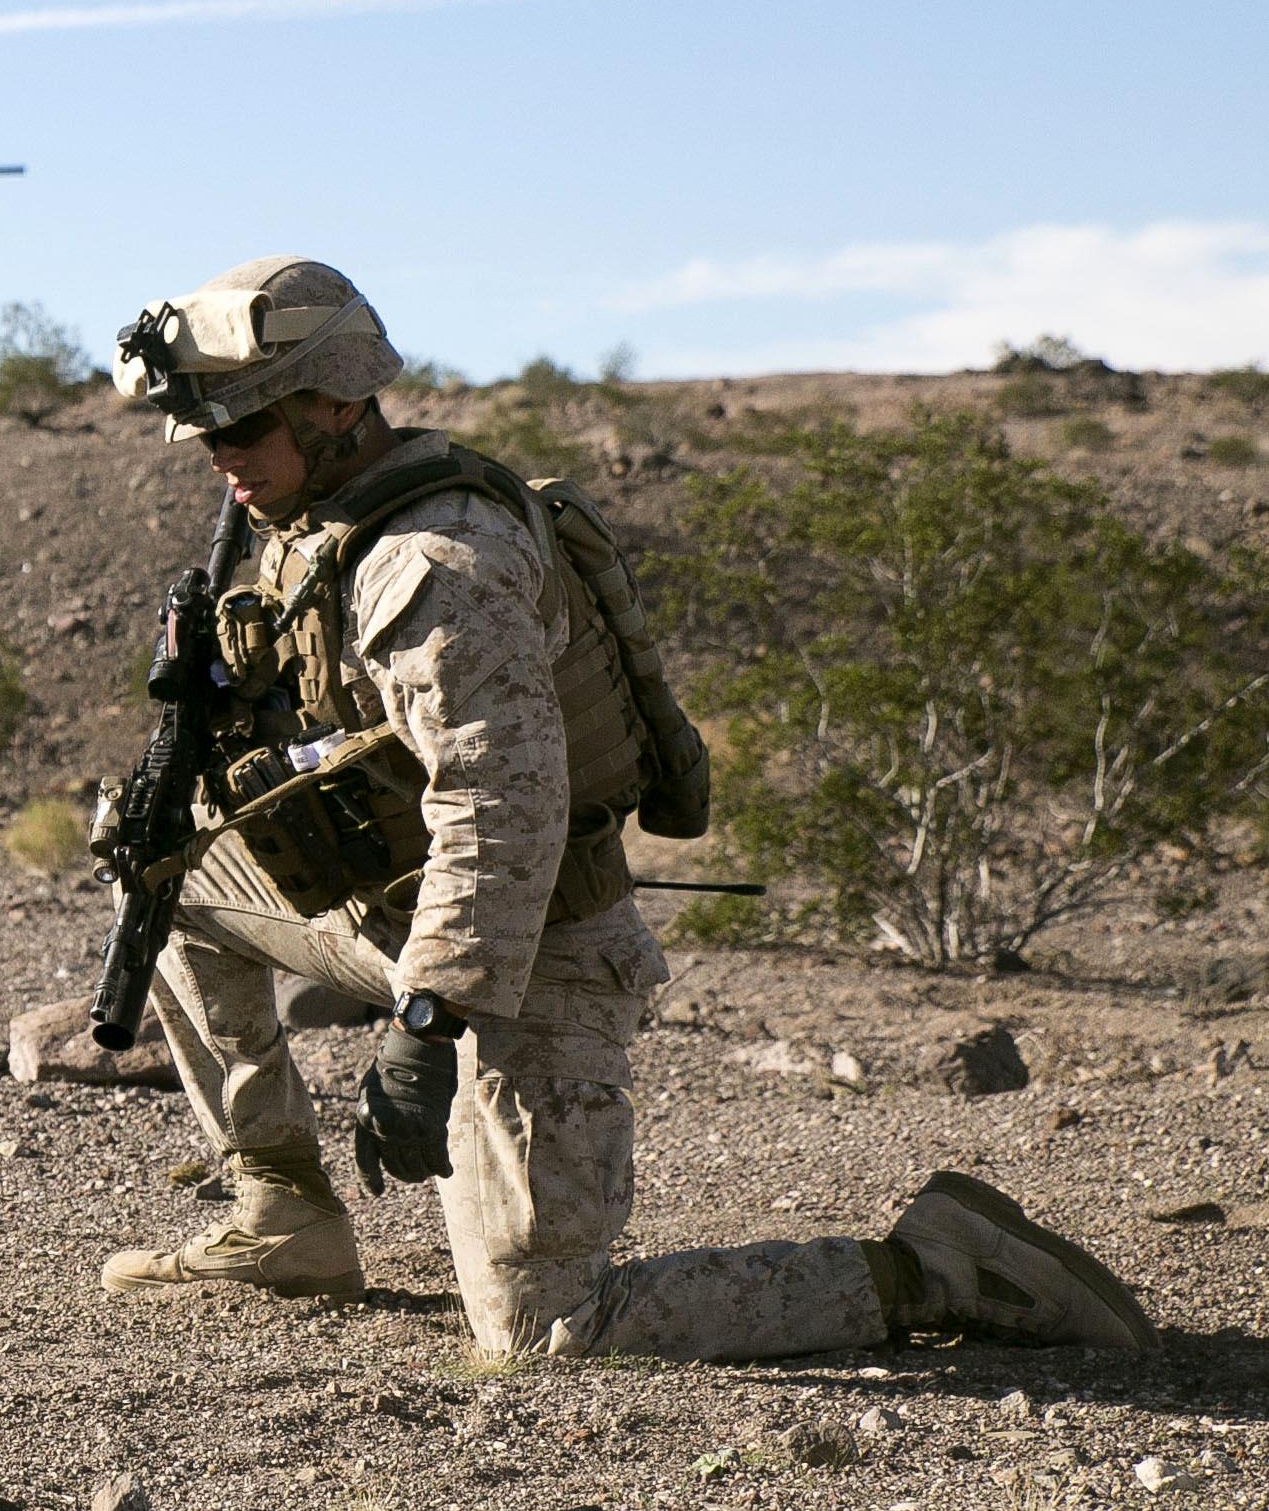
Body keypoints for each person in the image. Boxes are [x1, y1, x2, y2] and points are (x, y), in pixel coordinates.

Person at [91, 255, 1153, 1361]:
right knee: (160, 866)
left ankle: (932, 1266)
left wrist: (422, 1025)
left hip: (536, 941)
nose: (223, 466)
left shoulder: (431, 562)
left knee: (546, 1328)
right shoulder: (308, 526)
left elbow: (499, 806)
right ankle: (283, 1215)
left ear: (336, 404)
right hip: (393, 914)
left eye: (241, 432)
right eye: (206, 441)